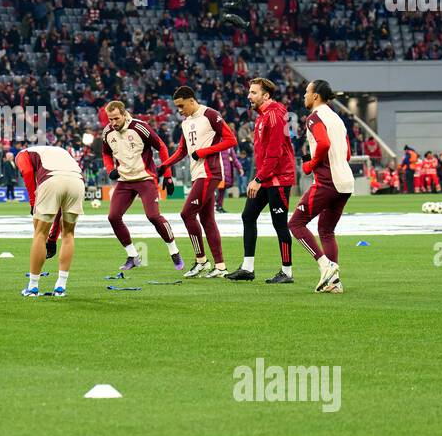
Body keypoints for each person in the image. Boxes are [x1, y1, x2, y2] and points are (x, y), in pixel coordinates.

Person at [157, 85, 236, 279]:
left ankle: (201, 261)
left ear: (192, 100)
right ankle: (220, 267)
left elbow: (231, 140)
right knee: (207, 219)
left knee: (186, 214)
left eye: (181, 106)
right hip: (197, 174)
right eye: (177, 107)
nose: (179, 110)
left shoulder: (210, 114)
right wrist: (164, 165)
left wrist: (204, 152)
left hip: (210, 173)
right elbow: (183, 150)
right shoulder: (186, 122)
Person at [226, 78, 296, 284]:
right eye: (249, 91)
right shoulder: (263, 116)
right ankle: (247, 268)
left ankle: (287, 272)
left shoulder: (274, 116)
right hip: (267, 177)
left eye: (254, 92)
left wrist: (257, 178)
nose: (249, 95)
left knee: (280, 224)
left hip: (278, 179)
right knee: (248, 216)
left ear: (266, 96)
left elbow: (274, 154)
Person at [288, 80, 354, 294]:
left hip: (328, 181)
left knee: (296, 223)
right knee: (326, 230)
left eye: (306, 92)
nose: (304, 96)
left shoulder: (315, 117)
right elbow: (347, 154)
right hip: (345, 181)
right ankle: (333, 282)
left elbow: (324, 144)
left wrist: (310, 164)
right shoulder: (337, 118)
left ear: (315, 96)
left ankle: (326, 266)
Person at [99, 100, 182, 272]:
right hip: (124, 181)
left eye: (116, 119)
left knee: (153, 216)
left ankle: (174, 251)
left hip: (145, 178)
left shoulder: (140, 127)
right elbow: (106, 153)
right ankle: (132, 256)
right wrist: (110, 169)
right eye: (110, 119)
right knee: (113, 217)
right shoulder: (107, 131)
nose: (113, 123)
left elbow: (162, 147)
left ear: (124, 114)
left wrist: (168, 176)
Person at [16, 144, 84, 297]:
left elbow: (27, 171)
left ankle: (33, 287)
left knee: (39, 234)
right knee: (68, 234)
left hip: (51, 180)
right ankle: (61, 287)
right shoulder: (62, 151)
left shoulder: (22, 154)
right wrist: (53, 239)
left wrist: (33, 202)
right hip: (77, 181)